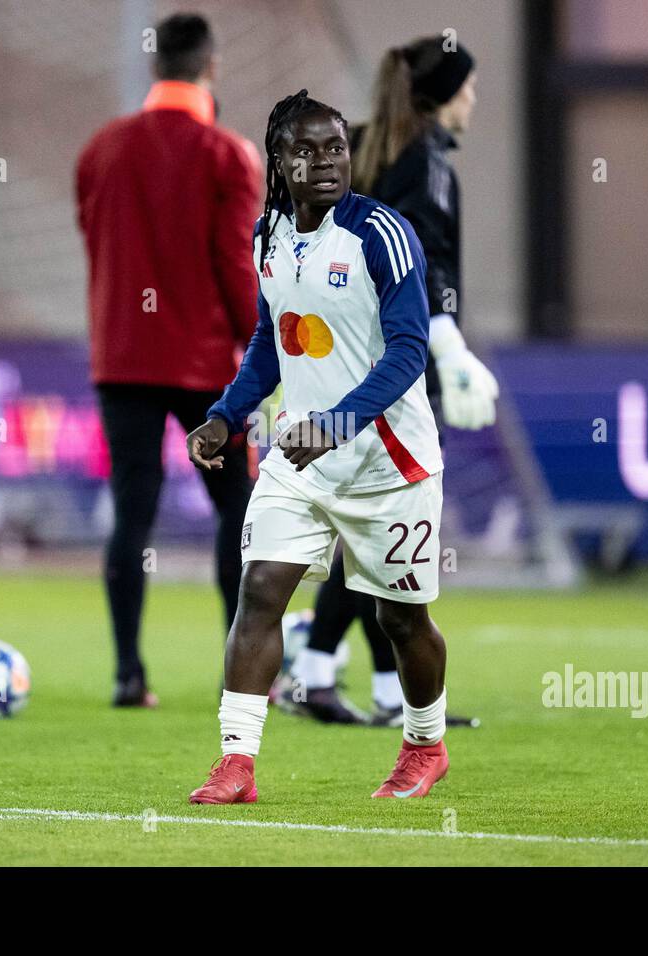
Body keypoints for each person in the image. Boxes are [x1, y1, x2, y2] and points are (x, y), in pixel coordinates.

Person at [185, 91, 451, 803]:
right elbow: (271, 344)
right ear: (279, 159)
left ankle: (426, 744)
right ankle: (236, 763)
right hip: (299, 460)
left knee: (400, 617)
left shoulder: (382, 235)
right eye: (306, 149)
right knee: (261, 588)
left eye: (335, 146)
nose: (325, 160)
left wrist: (336, 422)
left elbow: (408, 353)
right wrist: (225, 416)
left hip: (388, 464)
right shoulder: (266, 235)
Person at [272, 38, 497, 728]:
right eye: (470, 86)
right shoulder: (424, 161)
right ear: (446, 93)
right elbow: (427, 267)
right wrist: (449, 344)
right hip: (393, 369)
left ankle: (382, 690)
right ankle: (313, 673)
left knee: (364, 523)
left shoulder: (365, 144)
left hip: (331, 363)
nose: (475, 99)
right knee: (382, 526)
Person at [75, 13, 262, 708]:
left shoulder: (102, 149)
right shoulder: (227, 155)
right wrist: (262, 349)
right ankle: (237, 674)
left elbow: (94, 240)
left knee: (132, 513)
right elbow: (233, 266)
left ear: (155, 68)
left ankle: (128, 673)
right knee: (236, 510)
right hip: (206, 364)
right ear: (210, 67)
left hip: (122, 356)